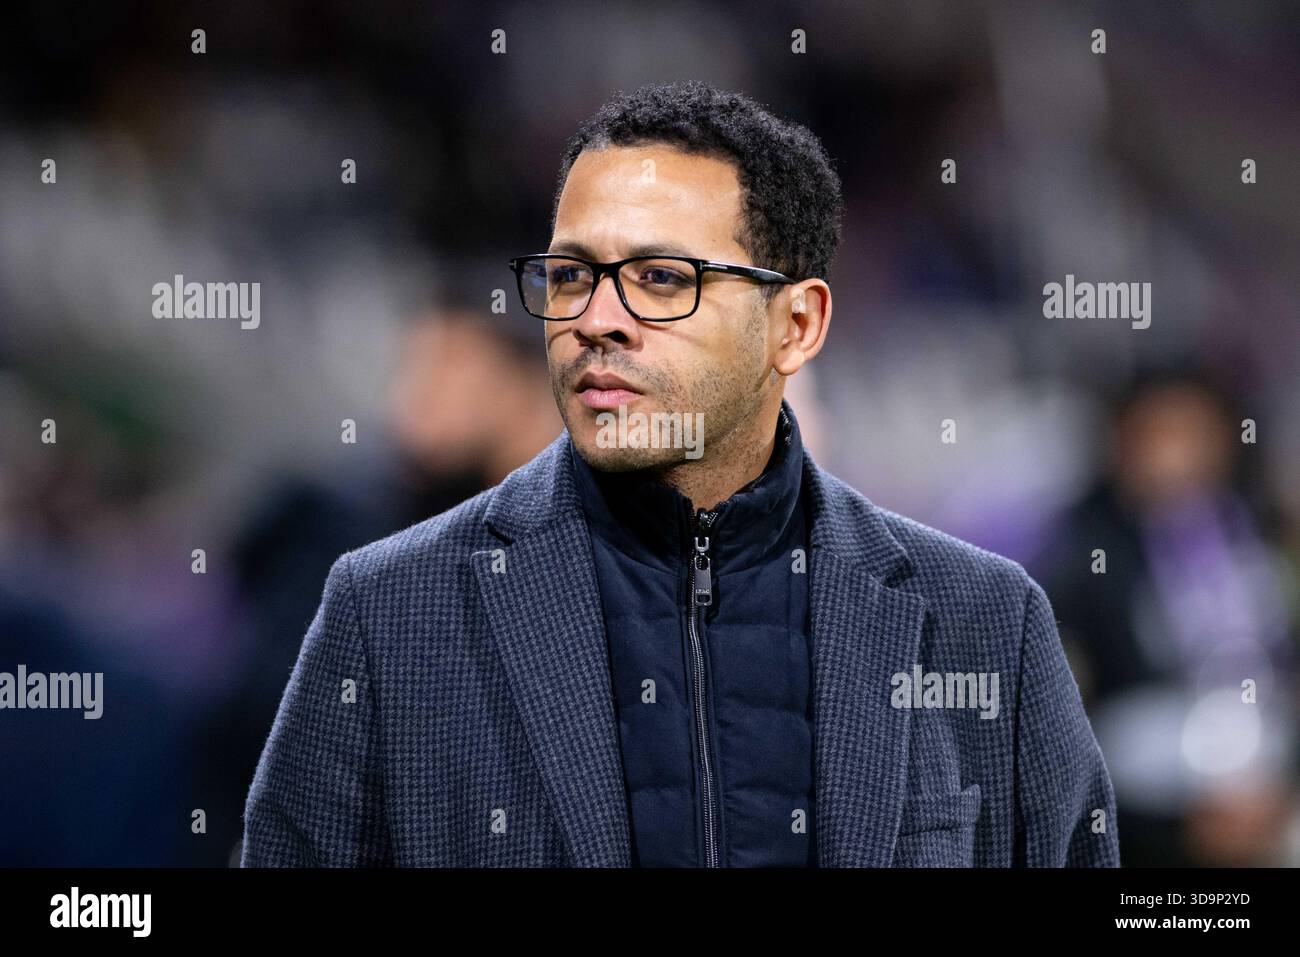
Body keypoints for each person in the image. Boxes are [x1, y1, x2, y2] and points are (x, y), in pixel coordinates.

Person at [241, 80, 1118, 867]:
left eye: (662, 278)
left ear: (797, 324)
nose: (597, 320)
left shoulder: (986, 623)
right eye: (572, 274)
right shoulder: (391, 612)